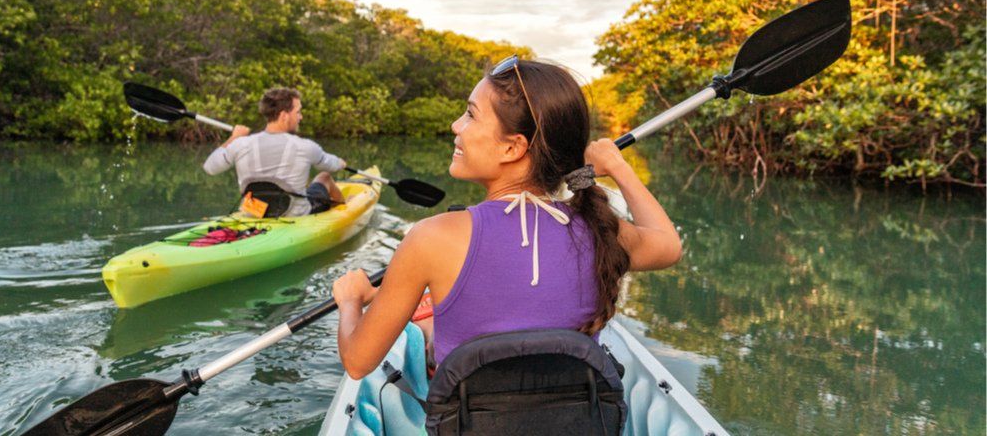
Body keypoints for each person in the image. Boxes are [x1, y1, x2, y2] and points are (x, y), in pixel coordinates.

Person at [331, 57, 682, 379]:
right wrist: (618, 167)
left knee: (426, 328)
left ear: (512, 147)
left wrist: (350, 300)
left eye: (470, 115)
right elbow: (668, 245)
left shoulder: (431, 238)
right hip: (576, 423)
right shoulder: (599, 229)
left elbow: (359, 362)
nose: (456, 126)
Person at [203, 87, 347, 217]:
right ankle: (346, 212)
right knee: (324, 177)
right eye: (298, 112)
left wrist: (234, 138)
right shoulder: (305, 146)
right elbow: (332, 165)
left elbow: (210, 167)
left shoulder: (241, 144)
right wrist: (341, 163)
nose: (300, 117)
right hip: (295, 214)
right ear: (284, 115)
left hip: (254, 213)